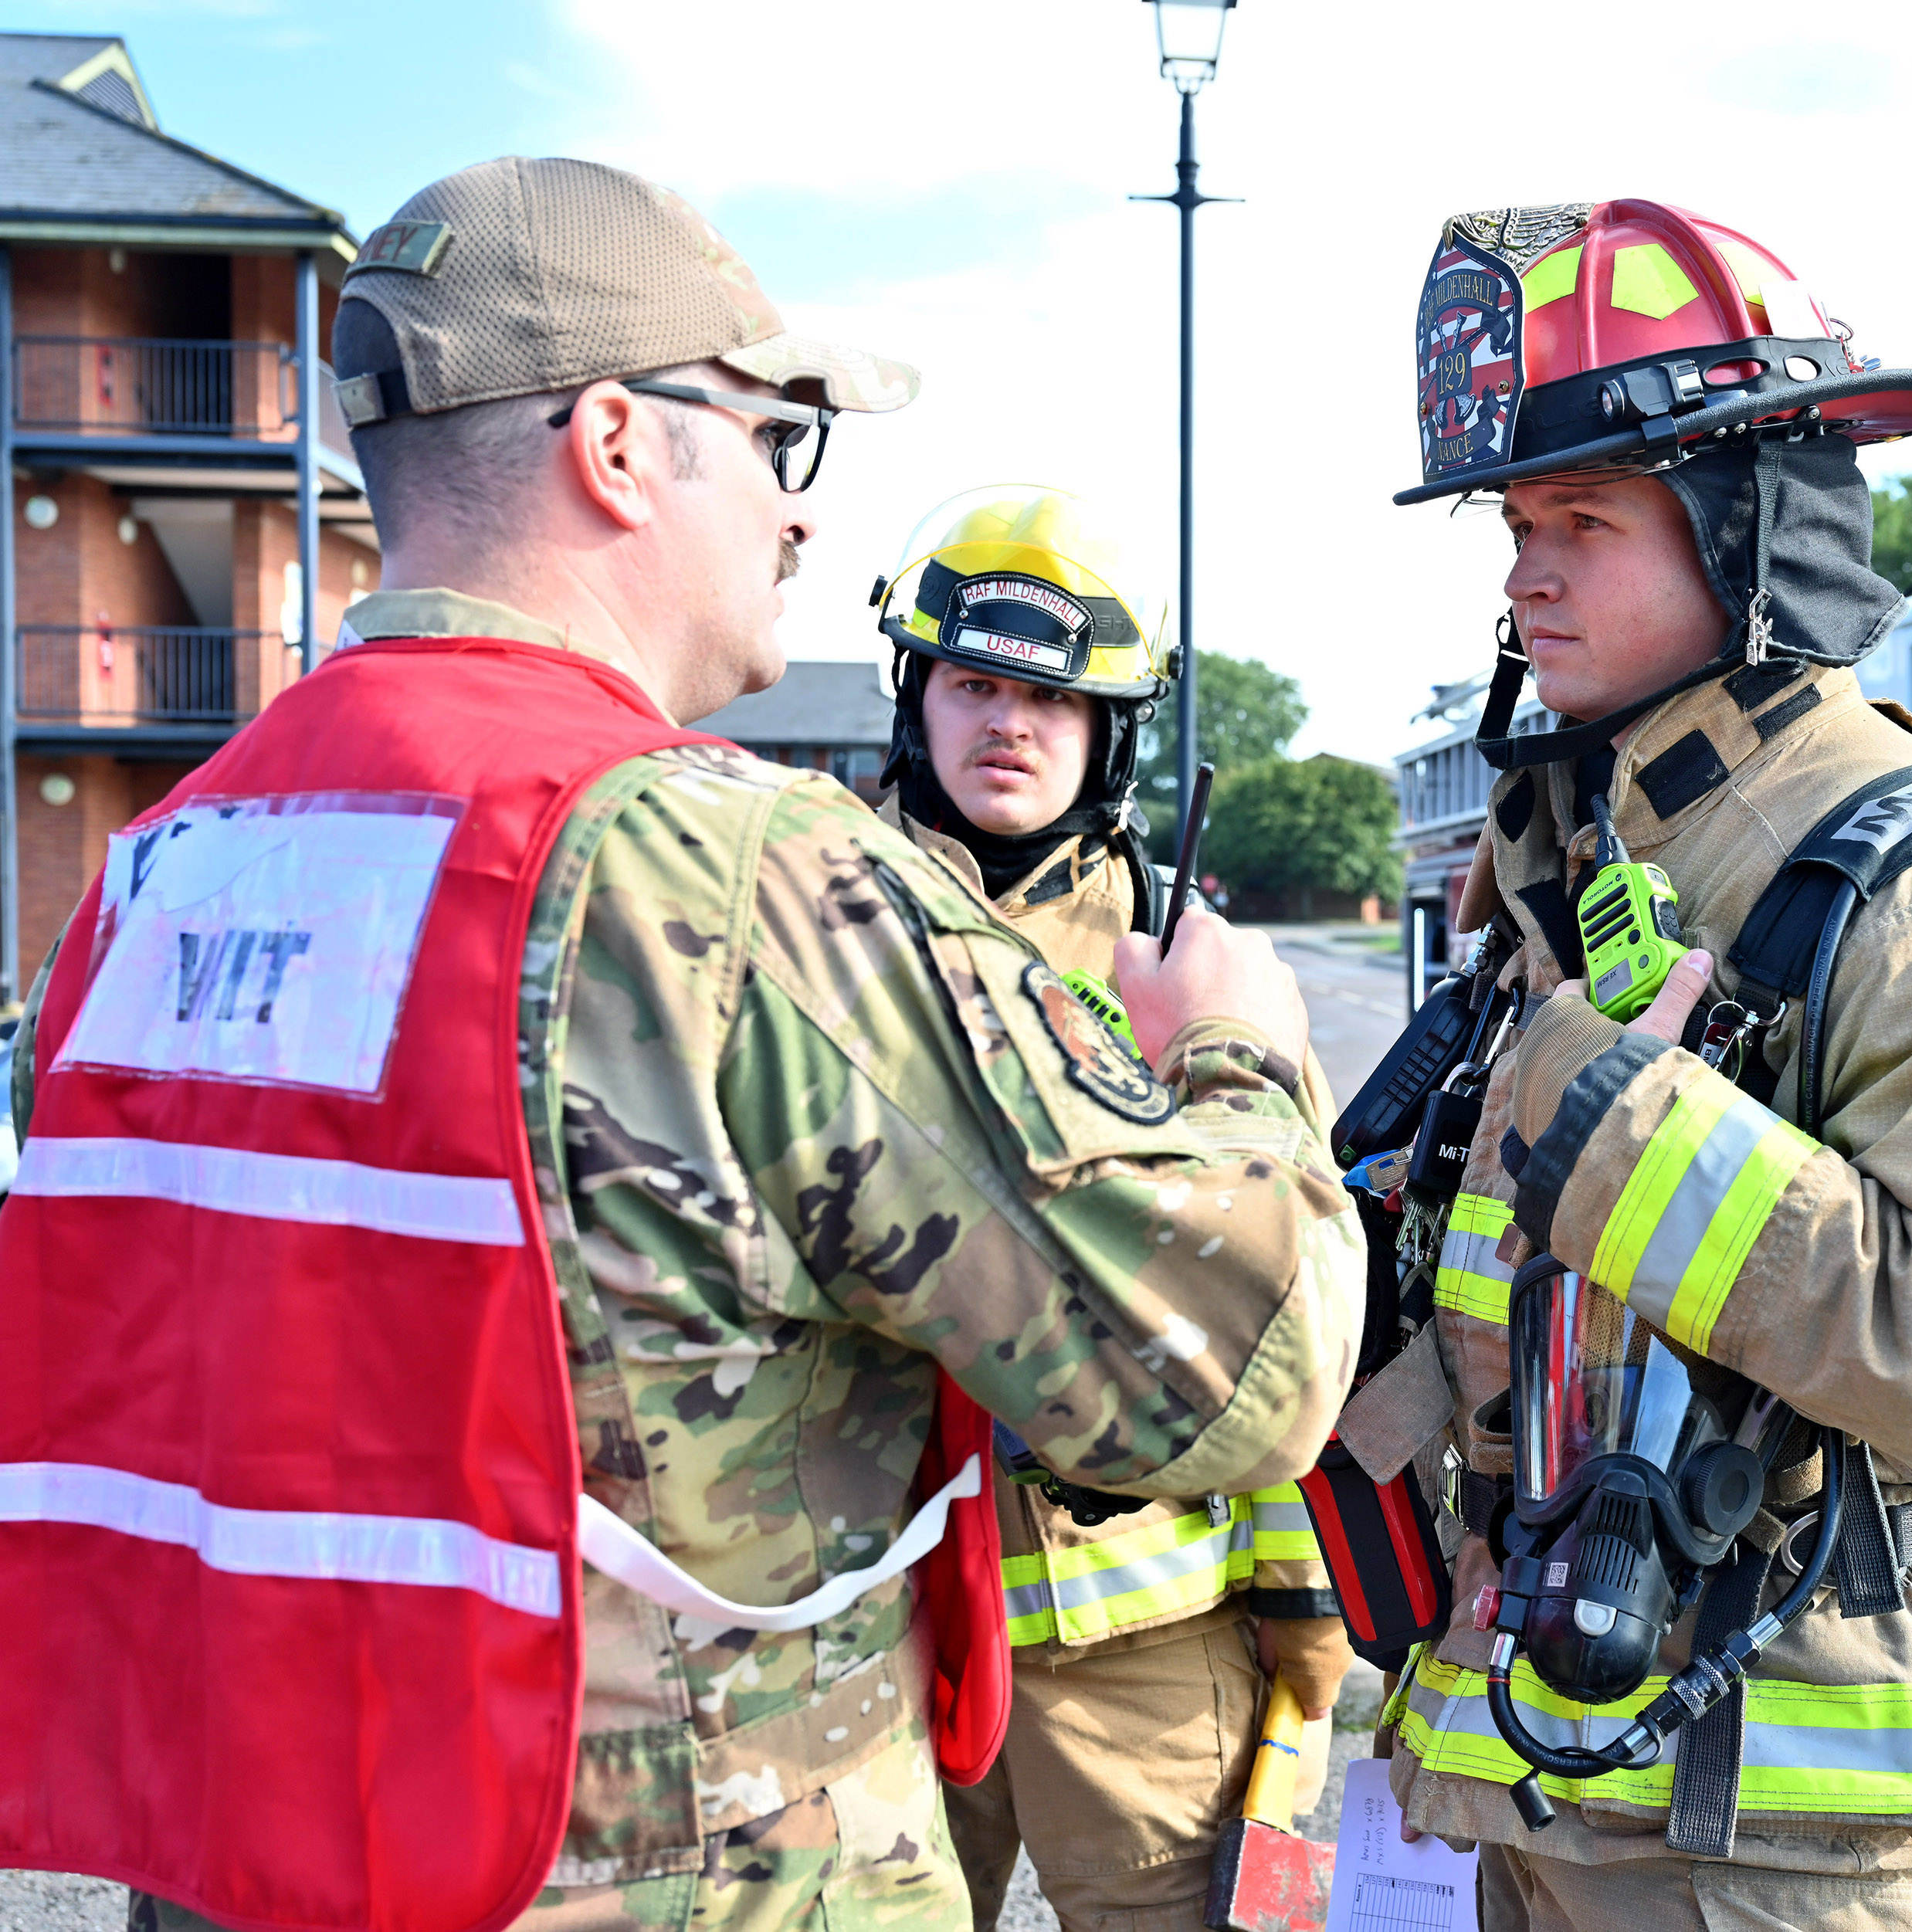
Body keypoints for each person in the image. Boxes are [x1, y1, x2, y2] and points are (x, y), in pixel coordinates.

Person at [0, 158, 1360, 1932]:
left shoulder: (151, 883)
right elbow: (1238, 1364)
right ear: (622, 445)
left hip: (265, 1858)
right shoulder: (740, 880)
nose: (799, 519)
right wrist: (1244, 1057)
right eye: (780, 444)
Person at [1368, 201, 1912, 1929]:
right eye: (1518, 522)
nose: (1526, 571)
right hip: (1559, 1773)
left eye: (1582, 520)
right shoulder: (1585, 843)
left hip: (1775, 1845)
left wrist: (1618, 1127)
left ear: (1750, 529)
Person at [866, 486, 1356, 1930]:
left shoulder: (1192, 975)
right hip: (874, 1618)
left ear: (1112, 732)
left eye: (1047, 694)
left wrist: (1304, 1595)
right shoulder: (809, 924)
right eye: (972, 681)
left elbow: (1287, 1302)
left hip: (1138, 1639)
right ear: (917, 696)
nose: (1006, 721)